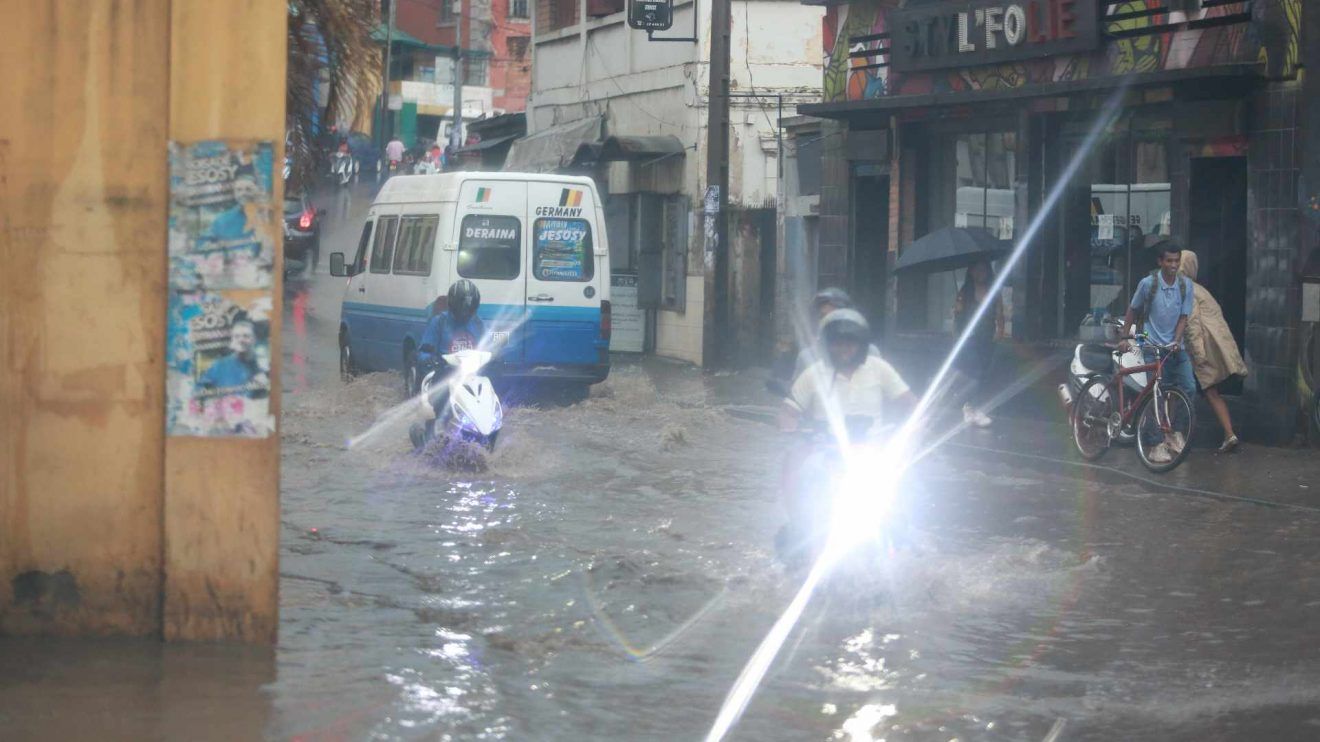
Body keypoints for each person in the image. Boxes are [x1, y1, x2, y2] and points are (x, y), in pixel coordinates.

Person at [780, 309, 917, 433]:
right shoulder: (813, 373)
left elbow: (910, 404)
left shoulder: (880, 368)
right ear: (827, 345)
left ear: (861, 345)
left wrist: (902, 433)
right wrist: (793, 431)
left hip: (874, 450)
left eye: (850, 343)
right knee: (793, 459)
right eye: (837, 344)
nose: (844, 349)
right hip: (822, 449)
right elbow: (788, 412)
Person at [1120, 241, 1195, 463]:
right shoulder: (1148, 284)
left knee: (1189, 387)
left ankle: (1175, 432)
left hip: (1175, 348)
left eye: (1176, 261)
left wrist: (1177, 340)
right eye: (1169, 261)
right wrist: (1125, 337)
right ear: (1160, 261)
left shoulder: (1185, 285)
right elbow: (1133, 310)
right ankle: (1154, 443)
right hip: (1152, 346)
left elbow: (1184, 316)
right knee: (1156, 395)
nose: (1173, 265)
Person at [1178, 250, 1248, 453]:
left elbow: (1191, 324)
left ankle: (1176, 435)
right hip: (1209, 348)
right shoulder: (1200, 289)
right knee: (1211, 393)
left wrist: (1197, 356)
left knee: (1180, 390)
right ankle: (1229, 434)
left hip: (1199, 350)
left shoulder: (1184, 289)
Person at [410, 280, 486, 447]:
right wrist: (430, 359)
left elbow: (487, 347)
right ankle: (430, 440)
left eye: (469, 307)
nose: (465, 312)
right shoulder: (439, 322)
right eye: (462, 307)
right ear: (453, 304)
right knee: (437, 402)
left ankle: (487, 434)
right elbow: (424, 351)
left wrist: (496, 357)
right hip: (445, 374)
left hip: (471, 378)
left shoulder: (478, 324)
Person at [952, 258, 1003, 428]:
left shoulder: (993, 291)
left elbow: (999, 314)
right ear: (971, 272)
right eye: (977, 270)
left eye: (983, 270)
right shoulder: (965, 292)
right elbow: (957, 318)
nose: (980, 274)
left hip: (987, 338)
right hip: (969, 339)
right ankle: (975, 408)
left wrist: (999, 333)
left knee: (983, 373)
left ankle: (969, 407)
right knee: (976, 372)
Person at [200, 320, 267, 395]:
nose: (241, 340)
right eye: (236, 336)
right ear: (232, 340)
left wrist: (264, 387)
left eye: (246, 336)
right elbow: (199, 390)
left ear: (254, 339)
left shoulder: (263, 366)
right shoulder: (219, 365)